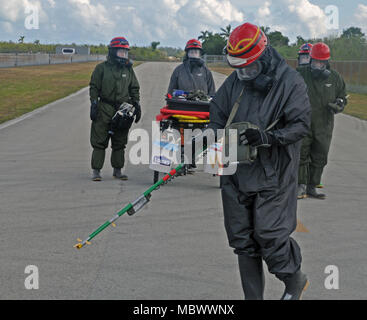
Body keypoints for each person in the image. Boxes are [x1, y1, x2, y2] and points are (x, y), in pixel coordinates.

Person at [208, 22, 311, 300]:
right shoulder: (237, 81)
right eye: (239, 68)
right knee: (243, 240)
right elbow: (217, 112)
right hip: (236, 172)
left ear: (263, 56)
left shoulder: (290, 82)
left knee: (270, 235)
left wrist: (268, 137)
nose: (244, 73)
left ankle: (293, 279)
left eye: (249, 67)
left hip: (274, 172)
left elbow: (300, 125)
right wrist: (212, 140)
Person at [297, 43, 347, 199]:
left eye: (321, 62)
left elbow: (342, 97)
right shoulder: (300, 74)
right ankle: (301, 186)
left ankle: (313, 186)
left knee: (320, 156)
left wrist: (339, 103)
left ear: (326, 62)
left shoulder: (335, 78)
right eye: (315, 61)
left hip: (324, 124)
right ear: (310, 60)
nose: (317, 65)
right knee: (302, 154)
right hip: (303, 122)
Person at [89, 37, 141, 181]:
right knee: (100, 140)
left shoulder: (128, 70)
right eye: (121, 51)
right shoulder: (101, 68)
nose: (124, 55)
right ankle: (96, 171)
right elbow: (94, 86)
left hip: (123, 109)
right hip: (104, 108)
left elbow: (134, 88)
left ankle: (117, 170)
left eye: (125, 52)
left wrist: (136, 104)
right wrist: (94, 104)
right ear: (113, 52)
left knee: (120, 141)